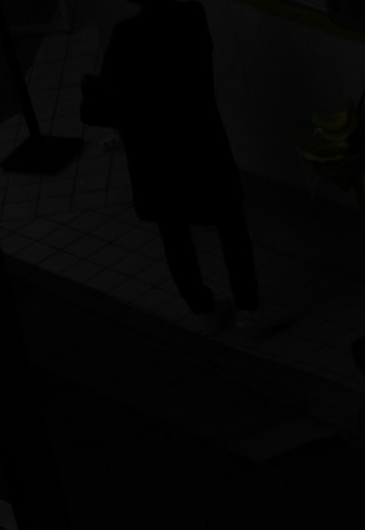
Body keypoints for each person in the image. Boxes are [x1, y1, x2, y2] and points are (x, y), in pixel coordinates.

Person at [80, 0, 267, 326]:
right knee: (230, 221)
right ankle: (248, 306)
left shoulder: (126, 35)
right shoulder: (191, 20)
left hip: (153, 152)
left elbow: (112, 95)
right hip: (198, 140)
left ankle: (203, 309)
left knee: (174, 232)